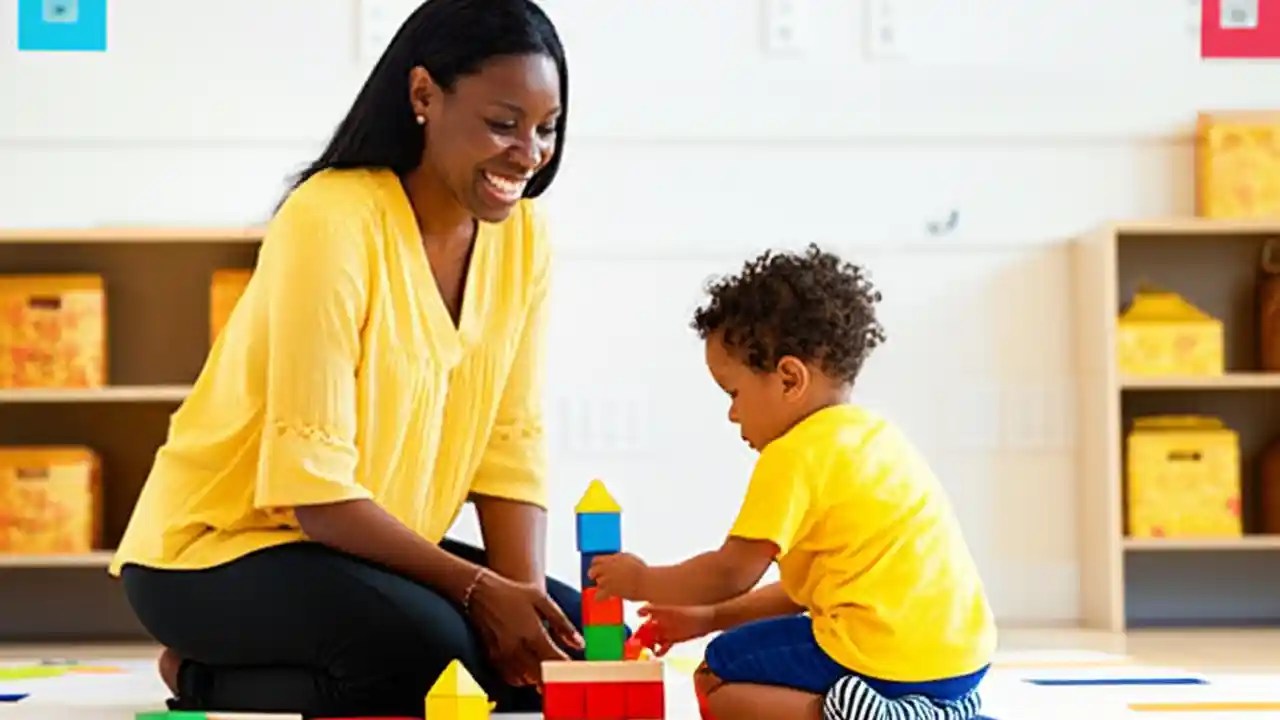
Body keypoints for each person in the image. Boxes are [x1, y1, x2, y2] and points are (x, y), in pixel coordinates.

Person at [107, 1, 584, 716]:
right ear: (424, 95)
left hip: (352, 554)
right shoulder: (330, 218)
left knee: (564, 643)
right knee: (437, 648)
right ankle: (201, 674)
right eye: (502, 124)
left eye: (546, 129)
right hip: (214, 551)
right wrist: (479, 592)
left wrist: (523, 604)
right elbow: (317, 494)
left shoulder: (524, 240)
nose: (529, 152)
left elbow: (509, 439)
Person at [589, 245, 997, 720]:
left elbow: (730, 572)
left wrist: (642, 579)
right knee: (746, 648)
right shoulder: (875, 437)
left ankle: (871, 715)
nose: (732, 413)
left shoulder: (794, 454)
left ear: (788, 379)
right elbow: (806, 591)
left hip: (883, 657)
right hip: (959, 661)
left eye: (734, 392)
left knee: (716, 679)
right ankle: (934, 709)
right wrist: (710, 618)